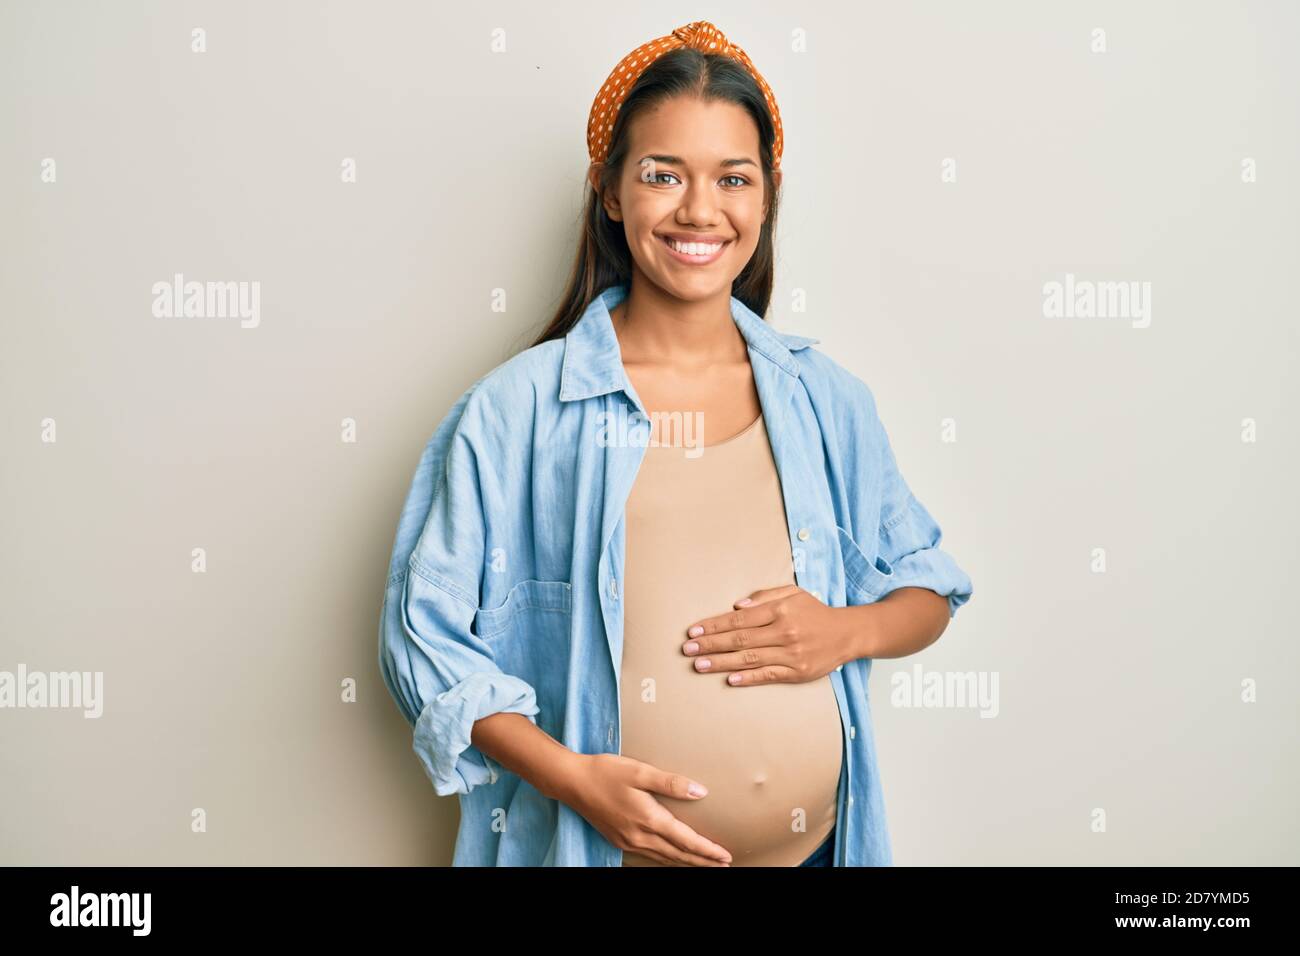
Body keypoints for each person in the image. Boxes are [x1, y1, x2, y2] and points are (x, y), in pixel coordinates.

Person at [378, 20, 974, 867]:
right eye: (664, 175)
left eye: (732, 178)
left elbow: (929, 589)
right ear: (611, 191)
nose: (700, 210)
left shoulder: (826, 400)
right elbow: (423, 641)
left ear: (765, 196)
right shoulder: (519, 410)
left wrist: (843, 633)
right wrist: (575, 782)